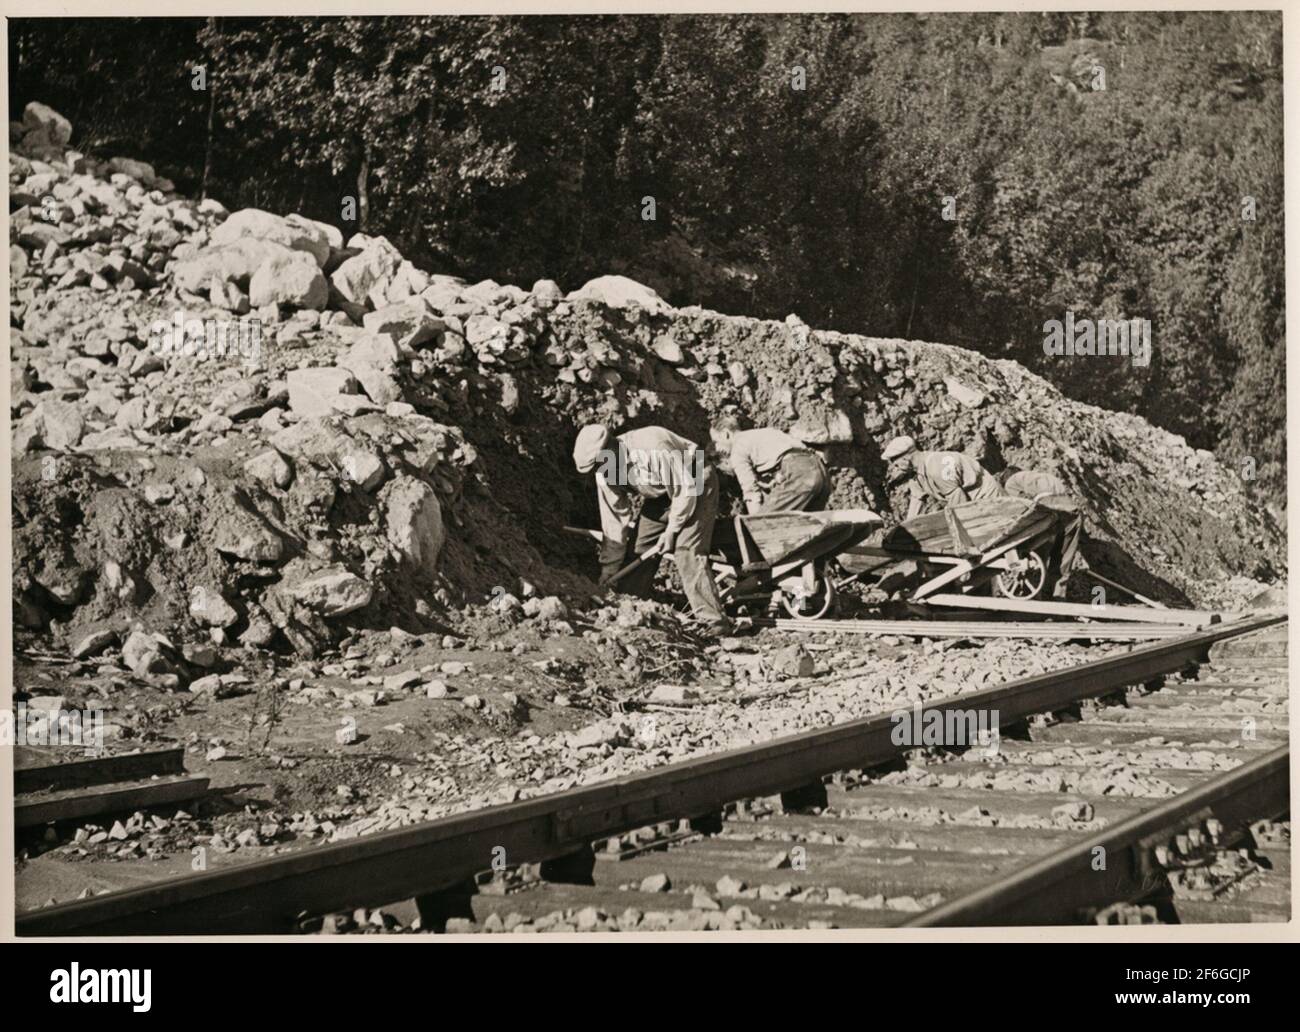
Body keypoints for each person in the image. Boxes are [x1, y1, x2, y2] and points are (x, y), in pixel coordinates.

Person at [573, 423, 730, 635]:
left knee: (686, 551)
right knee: (638, 548)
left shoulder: (652, 446)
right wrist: (609, 570)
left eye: (599, 464)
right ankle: (633, 606)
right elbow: (614, 521)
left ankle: (714, 623)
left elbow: (684, 489)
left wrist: (671, 531)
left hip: (695, 478)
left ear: (609, 448)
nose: (600, 471)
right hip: (662, 494)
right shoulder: (604, 470)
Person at [711, 414, 831, 514]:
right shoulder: (763, 434)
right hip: (821, 472)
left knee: (765, 524)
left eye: (716, 442)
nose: (716, 448)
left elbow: (751, 491)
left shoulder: (738, 449)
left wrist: (754, 525)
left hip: (800, 474)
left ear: (725, 434)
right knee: (802, 531)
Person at [998, 465, 1083, 598]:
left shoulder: (1011, 482)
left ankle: (1034, 597)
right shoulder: (1041, 477)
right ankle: (1058, 598)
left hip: (1048, 507)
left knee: (1038, 552)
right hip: (1072, 510)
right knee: (1063, 559)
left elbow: (1020, 507)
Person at [882, 435, 1005, 519]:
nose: (896, 468)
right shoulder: (916, 474)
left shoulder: (937, 466)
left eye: (895, 463)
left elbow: (958, 499)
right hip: (973, 505)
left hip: (991, 503)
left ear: (905, 458)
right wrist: (905, 532)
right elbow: (916, 500)